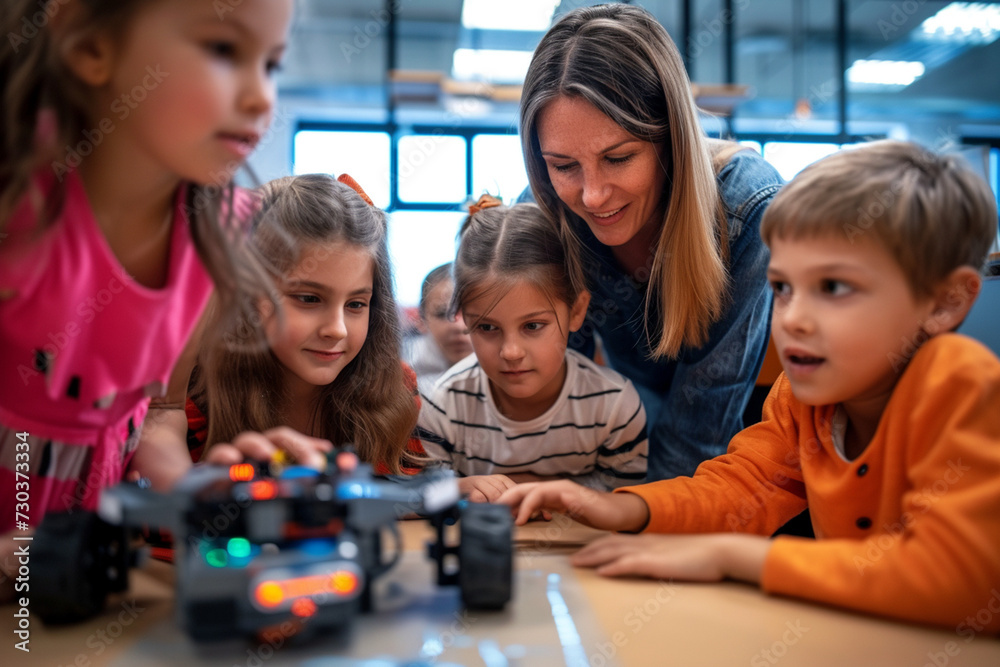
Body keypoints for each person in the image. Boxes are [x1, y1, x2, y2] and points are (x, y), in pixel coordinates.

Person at [499, 141, 1000, 631]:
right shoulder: (803, 401)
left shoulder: (960, 385)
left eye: (834, 288)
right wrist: (623, 505)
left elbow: (963, 581)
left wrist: (738, 557)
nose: (795, 319)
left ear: (944, 303)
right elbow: (743, 487)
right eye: (782, 288)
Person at [0, 0, 294, 530]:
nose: (260, 98)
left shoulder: (216, 233)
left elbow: (158, 414)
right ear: (93, 47)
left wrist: (196, 493)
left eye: (272, 64)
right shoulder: (17, 210)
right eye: (224, 50)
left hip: (72, 576)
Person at [518, 4, 784, 481]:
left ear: (671, 140)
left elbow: (699, 431)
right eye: (563, 165)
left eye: (618, 158)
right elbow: (554, 399)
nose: (592, 194)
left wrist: (629, 531)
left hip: (730, 457)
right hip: (626, 434)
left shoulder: (747, 207)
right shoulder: (546, 211)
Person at [136, 173, 426, 486]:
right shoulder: (190, 395)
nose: (337, 329)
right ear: (246, 293)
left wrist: (438, 494)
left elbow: (398, 490)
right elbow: (156, 513)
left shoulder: (394, 388)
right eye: (309, 298)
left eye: (356, 304)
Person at [417, 195, 648, 502]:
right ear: (465, 320)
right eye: (487, 328)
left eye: (533, 326)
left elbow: (627, 502)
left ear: (577, 312)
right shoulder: (440, 405)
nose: (511, 351)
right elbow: (418, 500)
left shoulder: (615, 407)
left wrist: (551, 494)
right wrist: (458, 490)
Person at [403, 262, 474, 396]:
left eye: (470, 314)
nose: (457, 326)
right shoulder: (399, 373)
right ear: (421, 321)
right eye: (442, 314)